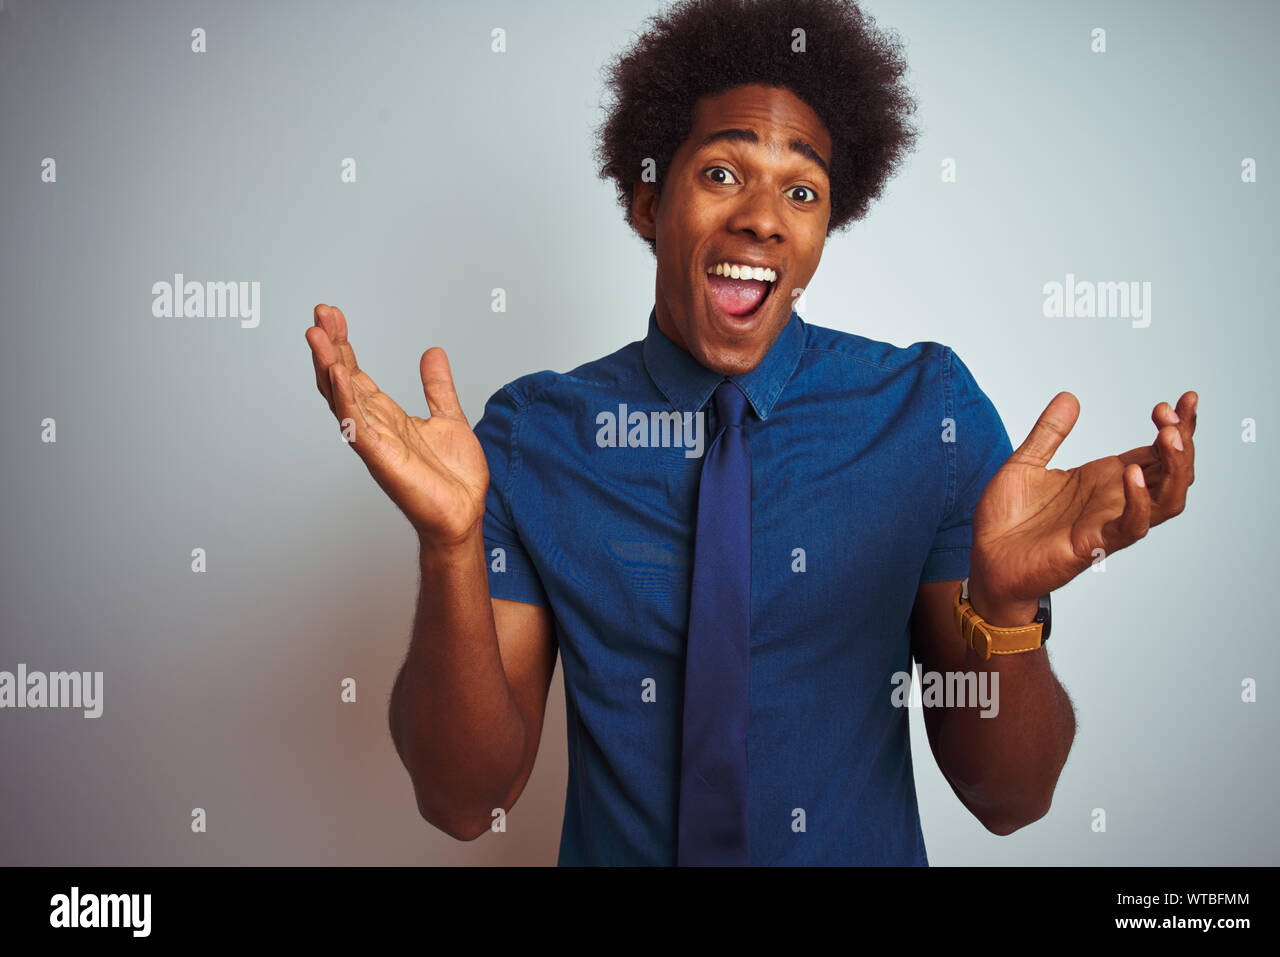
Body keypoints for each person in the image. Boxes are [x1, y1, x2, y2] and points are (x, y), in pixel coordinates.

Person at [305, 0, 1197, 865]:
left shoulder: (930, 414)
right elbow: (465, 803)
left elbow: (1013, 800)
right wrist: (449, 545)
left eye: (800, 190)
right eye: (723, 172)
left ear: (820, 231)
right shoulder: (537, 435)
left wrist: (1003, 612)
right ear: (649, 204)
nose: (761, 216)